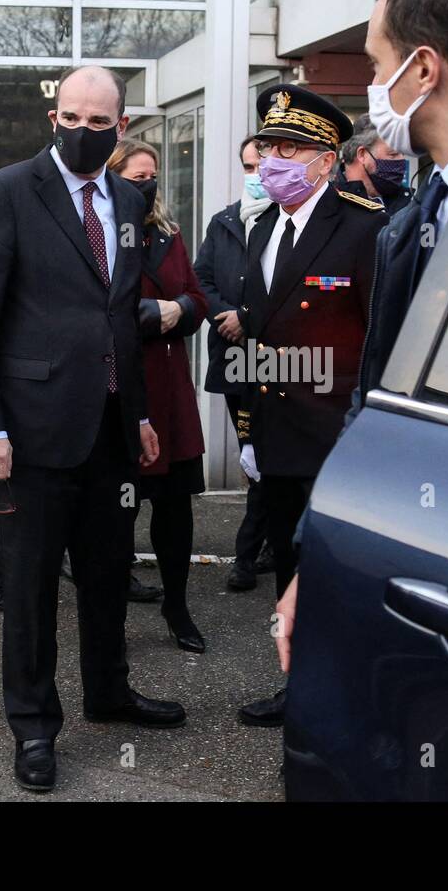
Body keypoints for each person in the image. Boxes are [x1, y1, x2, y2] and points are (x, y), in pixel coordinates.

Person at [272, 0, 448, 674]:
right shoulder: (409, 222)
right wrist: (320, 554)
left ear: (423, 70)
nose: (369, 86)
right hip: (408, 574)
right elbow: (376, 409)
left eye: (373, 62)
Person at [0, 65, 185, 794]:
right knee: (28, 590)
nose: (85, 132)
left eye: (100, 123)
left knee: (109, 575)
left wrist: (141, 411)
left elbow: (119, 318)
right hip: (30, 433)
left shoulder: (126, 198)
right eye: (74, 119)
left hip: (111, 433)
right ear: (55, 117)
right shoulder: (9, 192)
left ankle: (110, 693)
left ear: (120, 127)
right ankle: (33, 726)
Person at [235, 84, 385, 727]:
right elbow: (258, 328)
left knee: (337, 567)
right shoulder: (262, 225)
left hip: (335, 434)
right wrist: (246, 423)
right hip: (276, 429)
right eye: (270, 146)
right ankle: (297, 687)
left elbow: (381, 338)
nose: (274, 159)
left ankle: (343, 697)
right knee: (289, 562)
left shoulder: (364, 227)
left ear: (326, 159)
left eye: (290, 148)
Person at [108, 139, 210, 653]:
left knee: (175, 506)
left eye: (152, 177)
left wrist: (180, 312)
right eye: (135, 178)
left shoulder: (169, 234)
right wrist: (150, 316)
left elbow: (196, 294)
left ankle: (177, 605)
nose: (147, 186)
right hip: (124, 387)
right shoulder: (101, 232)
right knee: (117, 506)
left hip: (171, 393)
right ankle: (111, 611)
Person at [193, 136, 275, 592]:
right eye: (247, 165)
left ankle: (249, 555)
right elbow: (201, 276)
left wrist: (248, 318)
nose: (254, 175)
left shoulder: (288, 221)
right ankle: (263, 548)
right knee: (252, 457)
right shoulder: (225, 221)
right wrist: (225, 315)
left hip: (274, 358)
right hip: (232, 355)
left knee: (268, 455)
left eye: (260, 165)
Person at [336, 113, 414, 216]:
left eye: (402, 153)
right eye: (393, 154)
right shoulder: (329, 203)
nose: (402, 160)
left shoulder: (409, 204)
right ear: (362, 154)